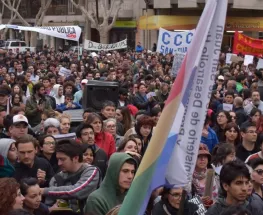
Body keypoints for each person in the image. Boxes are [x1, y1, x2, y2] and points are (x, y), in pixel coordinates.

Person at [42, 139, 100, 214]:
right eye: (58, 159)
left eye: (62, 159)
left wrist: (43, 191)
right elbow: (49, 205)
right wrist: (50, 210)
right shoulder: (56, 179)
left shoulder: (91, 171)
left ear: (75, 158)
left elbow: (77, 191)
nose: (59, 163)